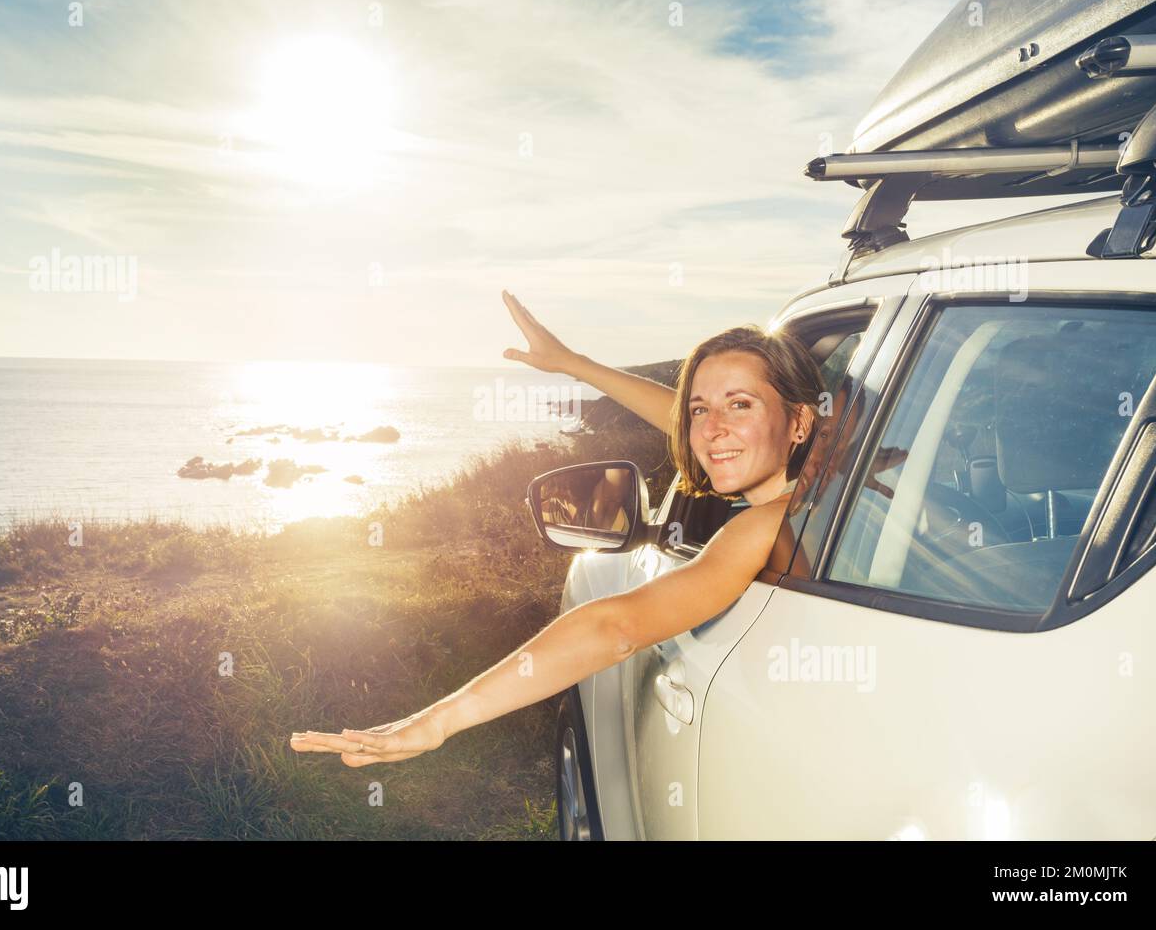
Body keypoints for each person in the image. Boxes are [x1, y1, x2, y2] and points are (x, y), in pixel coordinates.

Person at [289, 289, 823, 765]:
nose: (712, 430)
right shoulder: (834, 489)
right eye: (701, 408)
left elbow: (615, 628)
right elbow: (702, 427)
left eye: (740, 404)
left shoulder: (766, 526)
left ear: (800, 421)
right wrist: (573, 363)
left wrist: (437, 721)